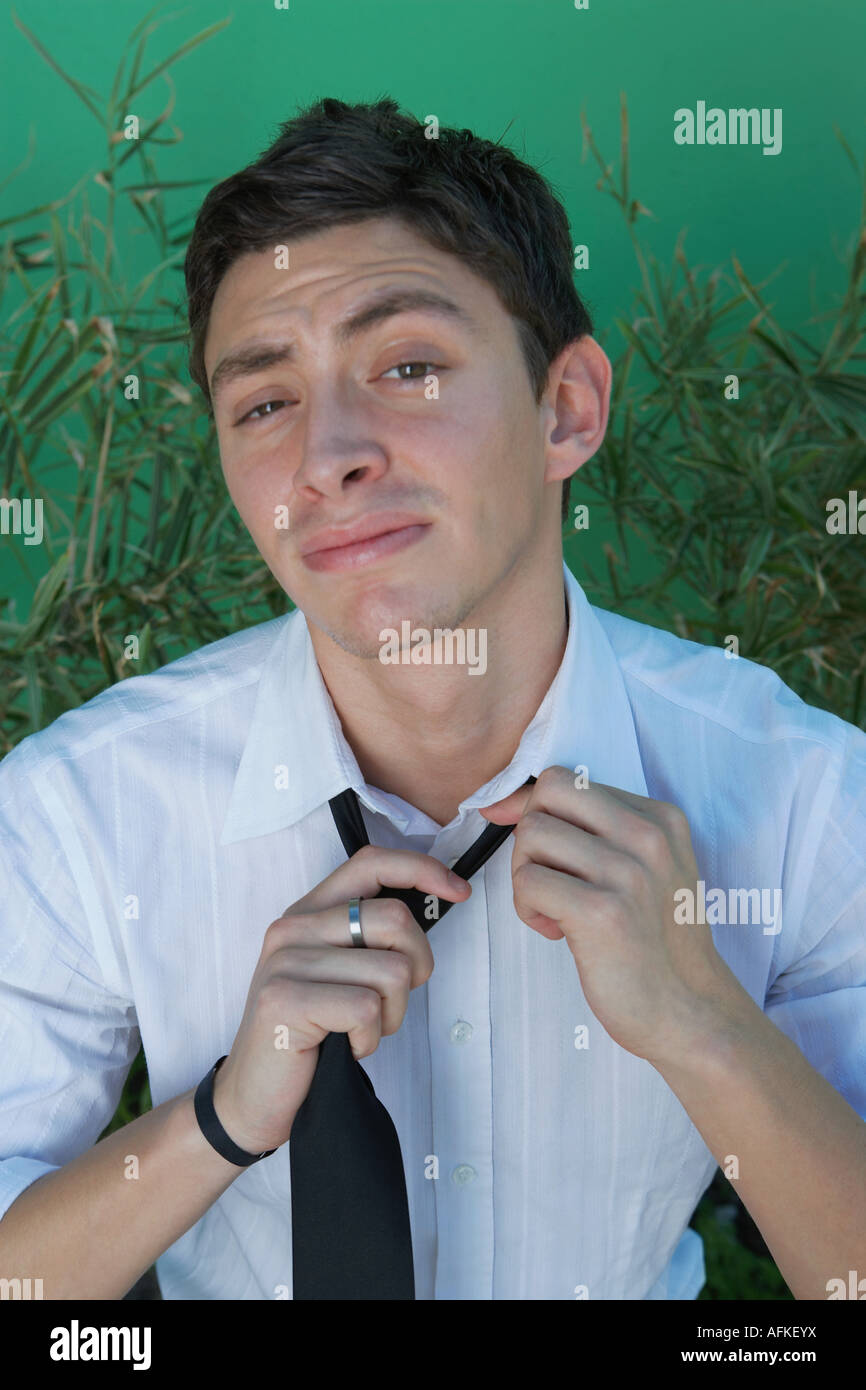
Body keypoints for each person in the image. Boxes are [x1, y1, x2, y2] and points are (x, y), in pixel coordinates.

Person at [1, 97, 864, 1302]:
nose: (327, 455)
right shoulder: (74, 809)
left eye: (406, 366)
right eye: (264, 402)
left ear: (565, 409)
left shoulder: (803, 794)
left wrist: (705, 1027)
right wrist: (221, 1118)